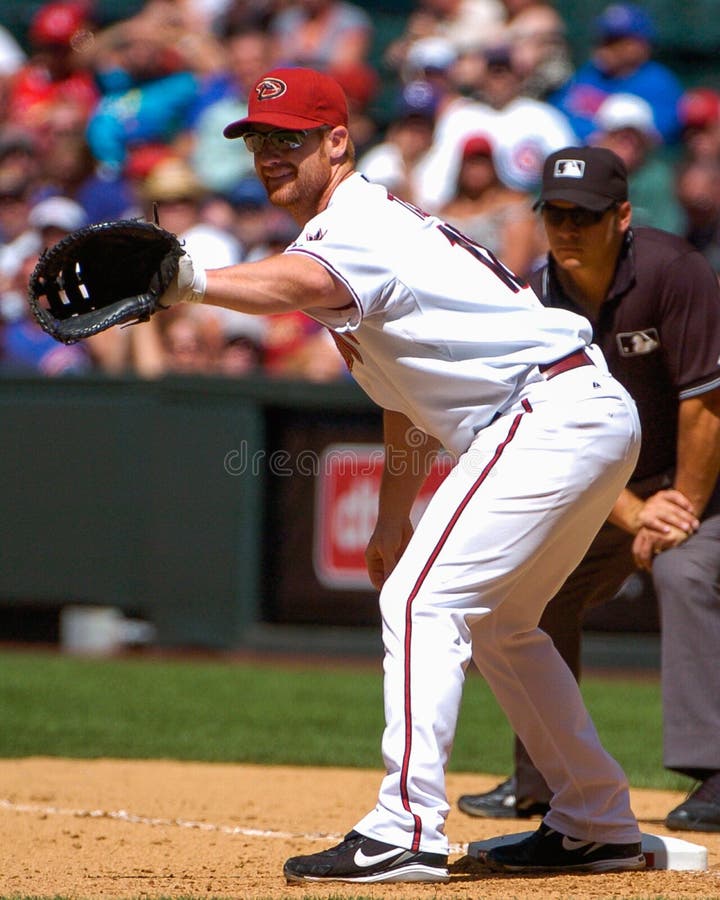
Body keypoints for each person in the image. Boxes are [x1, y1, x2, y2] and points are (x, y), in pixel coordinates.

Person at [159, 67, 646, 882]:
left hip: (548, 412)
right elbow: (408, 402)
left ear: (337, 142)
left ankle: (407, 828)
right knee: (499, 624)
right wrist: (393, 516)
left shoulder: (354, 223)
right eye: (259, 141)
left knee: (424, 600)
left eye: (292, 138)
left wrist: (191, 280)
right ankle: (596, 821)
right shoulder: (351, 229)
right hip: (568, 413)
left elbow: (299, 286)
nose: (272, 155)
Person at [457, 146, 720, 835]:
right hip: (615, 491)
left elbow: (705, 406)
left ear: (623, 216)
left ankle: (716, 776)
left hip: (704, 483)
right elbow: (548, 436)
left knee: (687, 570)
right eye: (557, 214)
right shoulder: (540, 296)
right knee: (530, 592)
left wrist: (680, 512)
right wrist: (637, 515)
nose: (568, 228)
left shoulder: (673, 271)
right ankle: (544, 779)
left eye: (586, 215)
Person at [549, 3, 684, 145]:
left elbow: (655, 134)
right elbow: (558, 116)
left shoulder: (659, 83)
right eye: (602, 39)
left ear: (640, 45)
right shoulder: (588, 74)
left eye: (614, 41)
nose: (604, 48)